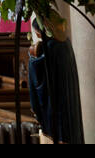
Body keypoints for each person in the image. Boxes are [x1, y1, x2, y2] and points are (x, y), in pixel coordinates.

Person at [26, 14, 84, 144]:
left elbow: (39, 78)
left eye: (38, 34)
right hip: (69, 102)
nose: (39, 37)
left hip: (58, 105)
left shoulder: (52, 48)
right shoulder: (66, 44)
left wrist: (32, 60)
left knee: (61, 132)